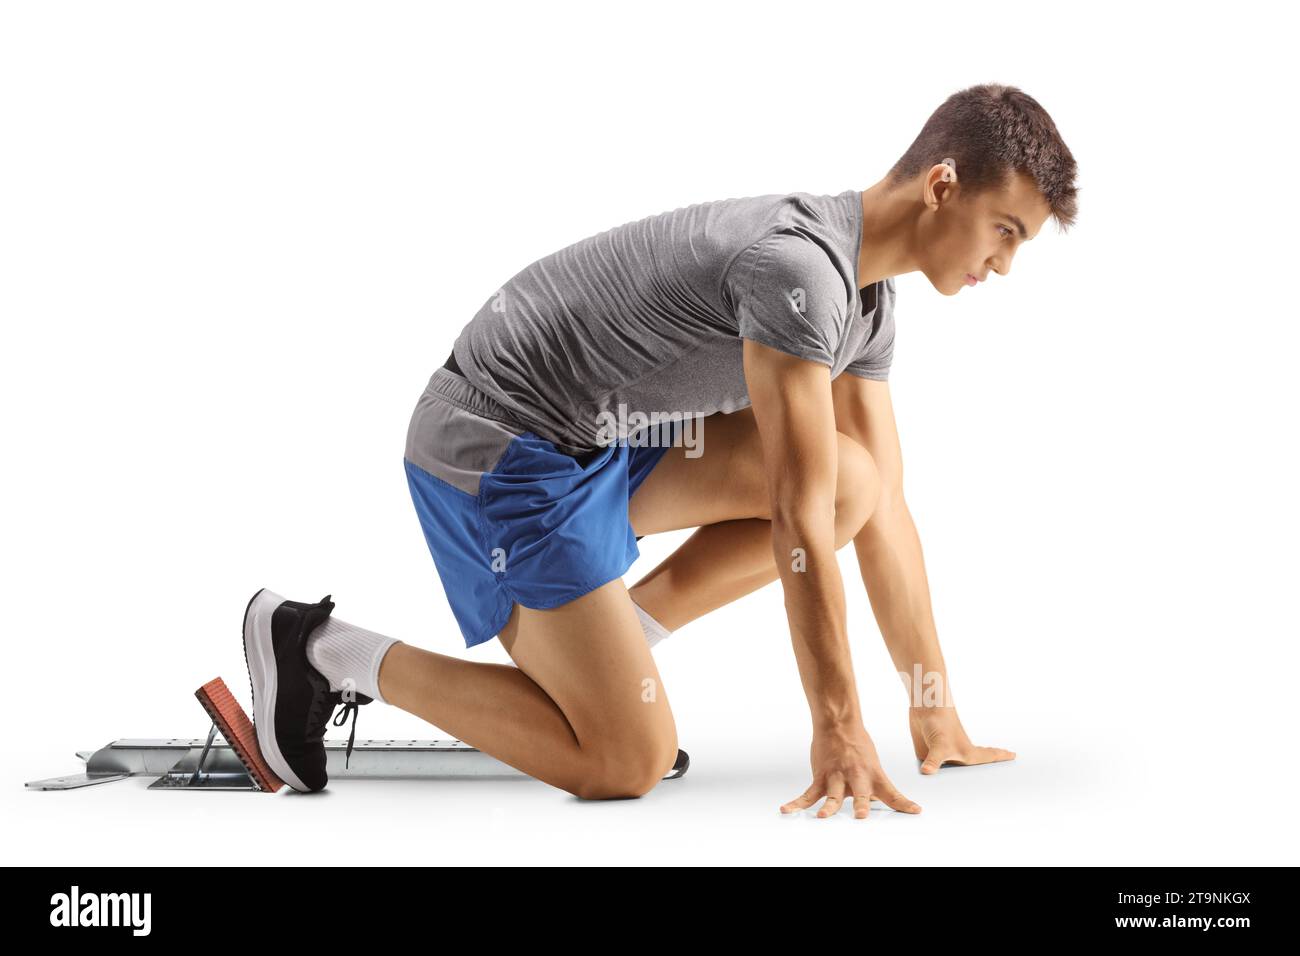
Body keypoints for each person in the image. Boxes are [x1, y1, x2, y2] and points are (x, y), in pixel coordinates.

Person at [242, 82, 1079, 819]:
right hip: (499, 448)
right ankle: (318, 649)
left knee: (852, 483)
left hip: (604, 442)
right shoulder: (798, 272)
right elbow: (793, 521)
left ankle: (610, 654)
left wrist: (931, 711)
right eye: (1004, 231)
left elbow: (883, 507)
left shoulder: (866, 304)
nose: (1003, 265)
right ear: (943, 185)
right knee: (625, 761)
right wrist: (838, 729)